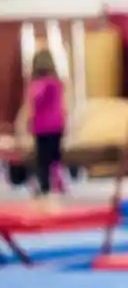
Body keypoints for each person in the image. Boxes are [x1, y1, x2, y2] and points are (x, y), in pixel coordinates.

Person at [26, 48, 65, 198]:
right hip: (56, 124)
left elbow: (33, 104)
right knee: (55, 154)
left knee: (42, 158)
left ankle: (44, 185)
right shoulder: (57, 83)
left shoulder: (36, 84)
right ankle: (58, 180)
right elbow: (61, 105)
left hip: (41, 126)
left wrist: (29, 122)